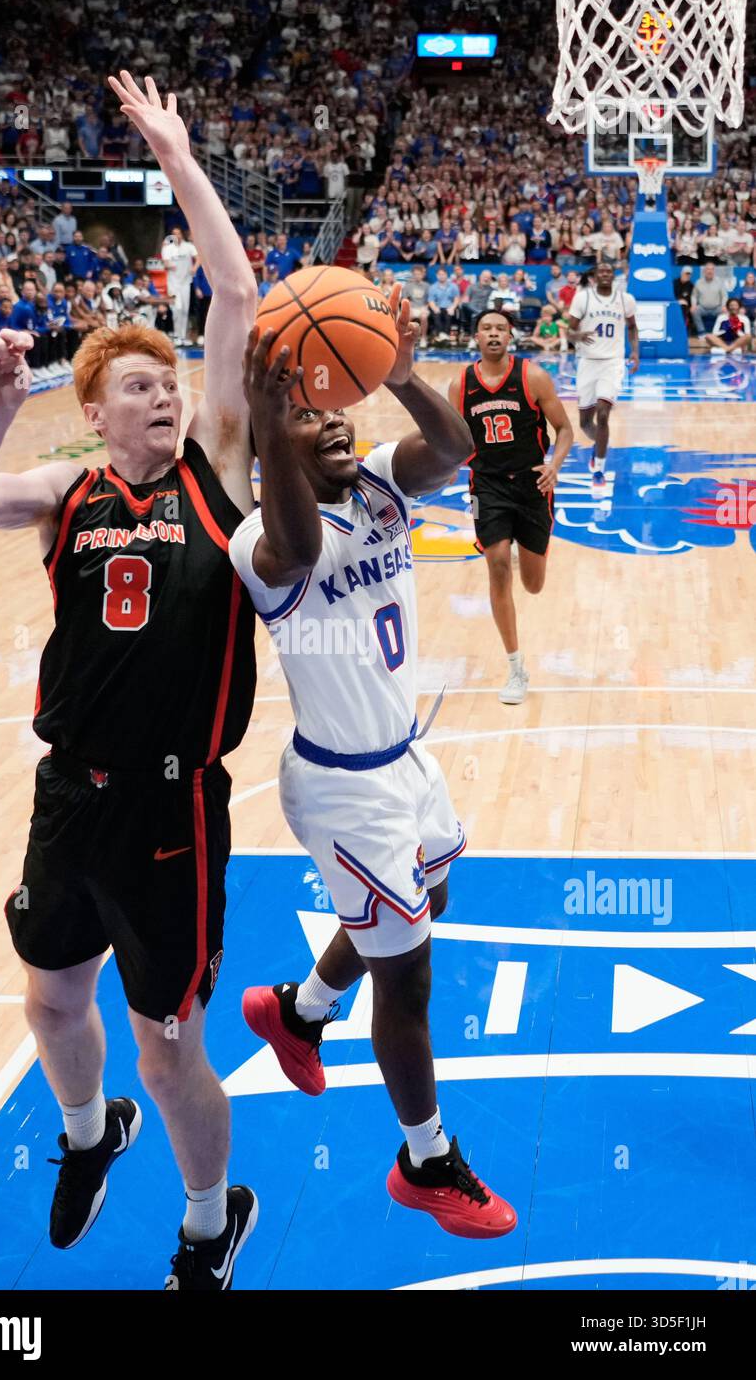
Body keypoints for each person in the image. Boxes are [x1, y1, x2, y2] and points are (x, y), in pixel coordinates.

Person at [0, 71, 260, 1293]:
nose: (165, 392)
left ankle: (205, 1217)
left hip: (173, 807)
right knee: (51, 1006)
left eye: (171, 381)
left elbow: (232, 292)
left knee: (169, 1045)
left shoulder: (214, 470)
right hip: (69, 790)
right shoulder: (66, 493)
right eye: (139, 383)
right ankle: (88, 1134)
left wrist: (177, 154)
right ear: (96, 408)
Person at [231, 293, 518, 1241]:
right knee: (408, 979)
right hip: (343, 788)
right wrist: (273, 420)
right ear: (280, 441)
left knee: (426, 904)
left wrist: (395, 369)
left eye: (337, 403)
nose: (336, 419)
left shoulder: (381, 488)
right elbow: (303, 545)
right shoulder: (258, 538)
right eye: (313, 413)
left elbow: (453, 448)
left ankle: (301, 1011)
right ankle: (425, 1158)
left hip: (405, 762)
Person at [447, 310, 574, 704]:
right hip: (486, 486)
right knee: (497, 563)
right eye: (487, 328)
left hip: (533, 484)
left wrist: (554, 465)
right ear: (477, 337)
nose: (494, 334)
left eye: (501, 328)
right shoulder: (460, 384)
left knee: (533, 585)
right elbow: (452, 437)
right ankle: (516, 666)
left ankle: (524, 547)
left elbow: (565, 429)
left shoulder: (532, 377)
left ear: (510, 336)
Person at [565, 263, 640, 488]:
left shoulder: (625, 299)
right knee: (585, 423)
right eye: (601, 272)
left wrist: (635, 352)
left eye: (609, 271)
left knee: (604, 414)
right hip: (587, 362)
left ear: (613, 276)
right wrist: (578, 337)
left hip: (613, 362)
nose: (605, 274)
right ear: (595, 277)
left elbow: (632, 327)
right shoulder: (582, 298)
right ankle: (597, 445)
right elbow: (569, 332)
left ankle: (599, 469)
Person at [161, 226, 197, 347]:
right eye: (174, 234)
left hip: (185, 283)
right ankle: (176, 335)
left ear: (182, 235)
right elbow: (165, 263)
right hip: (173, 284)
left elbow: (199, 258)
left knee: (185, 309)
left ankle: (183, 336)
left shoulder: (189, 247)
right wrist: (169, 266)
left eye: (179, 233)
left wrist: (194, 268)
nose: (177, 236)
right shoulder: (167, 249)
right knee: (177, 309)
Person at [690, 262, 729, 338]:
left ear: (714, 271)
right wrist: (693, 305)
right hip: (703, 308)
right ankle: (701, 332)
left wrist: (724, 305)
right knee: (694, 311)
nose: (710, 271)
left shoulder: (719, 282)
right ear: (704, 271)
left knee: (726, 312)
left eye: (712, 269)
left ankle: (720, 333)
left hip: (716, 308)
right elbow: (694, 296)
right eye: (708, 269)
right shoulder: (698, 282)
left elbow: (724, 296)